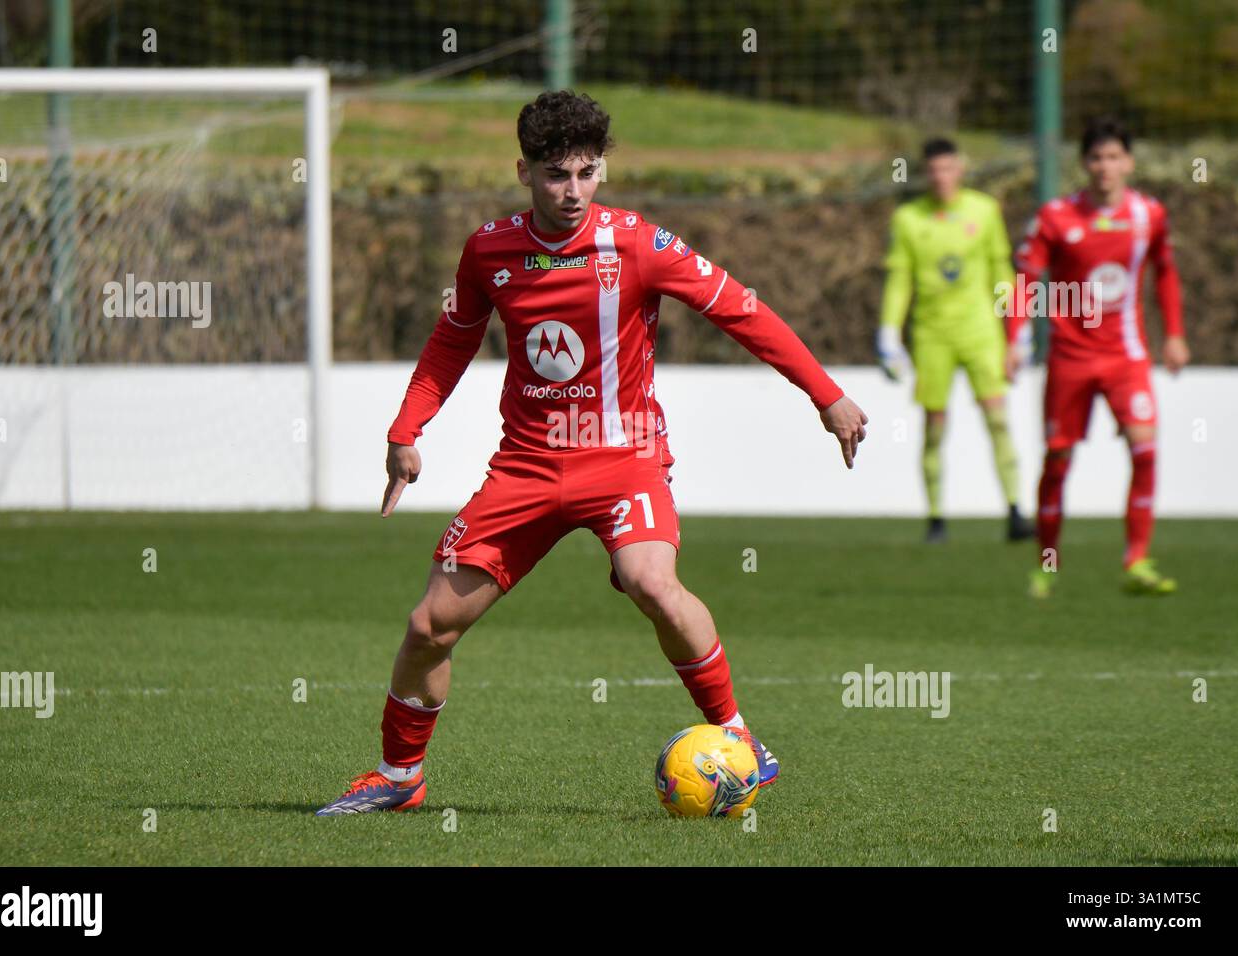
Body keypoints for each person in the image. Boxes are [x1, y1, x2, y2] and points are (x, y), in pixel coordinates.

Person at [316, 90, 868, 814]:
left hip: (623, 459)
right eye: (555, 175)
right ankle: (398, 777)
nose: (571, 190)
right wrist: (405, 432)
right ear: (524, 172)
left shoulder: (639, 244)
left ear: (602, 171)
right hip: (527, 465)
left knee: (651, 581)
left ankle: (737, 737)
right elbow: (452, 339)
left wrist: (825, 395)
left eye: (584, 172)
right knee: (429, 626)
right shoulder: (489, 249)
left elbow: (741, 308)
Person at [1008, 117, 1187, 598]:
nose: (1105, 167)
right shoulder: (1056, 217)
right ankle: (1046, 563)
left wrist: (1174, 334)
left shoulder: (1149, 214)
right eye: (1095, 158)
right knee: (1059, 460)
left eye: (1113, 157)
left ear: (1128, 162)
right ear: (1084, 164)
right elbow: (1026, 281)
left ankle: (1138, 561)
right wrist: (1014, 338)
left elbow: (1166, 272)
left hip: (1126, 358)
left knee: (1145, 448)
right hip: (1069, 360)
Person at [878, 138, 1033, 543]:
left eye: (949, 168)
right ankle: (935, 518)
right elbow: (900, 281)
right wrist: (889, 332)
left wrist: (1018, 331)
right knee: (934, 427)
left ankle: (1016, 511)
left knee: (998, 419)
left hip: (980, 332)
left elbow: (1002, 272)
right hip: (932, 335)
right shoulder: (909, 219)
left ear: (961, 168)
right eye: (934, 170)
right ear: (926, 174)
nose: (942, 177)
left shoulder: (984, 210)